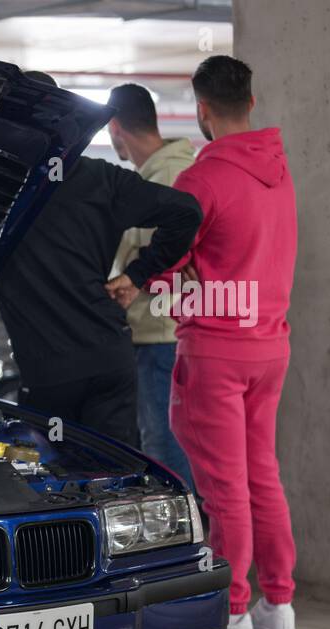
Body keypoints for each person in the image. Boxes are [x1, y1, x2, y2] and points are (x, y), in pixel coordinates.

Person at [106, 56, 298, 629]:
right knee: (261, 476)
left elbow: (171, 257)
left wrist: (138, 282)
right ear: (252, 101)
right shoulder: (280, 170)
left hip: (215, 350)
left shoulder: (203, 179)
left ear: (203, 110)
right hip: (271, 345)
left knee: (224, 489)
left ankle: (233, 613)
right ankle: (280, 604)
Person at [0, 71, 202, 448]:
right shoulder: (102, 178)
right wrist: (137, 275)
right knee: (117, 481)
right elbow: (186, 212)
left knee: (51, 484)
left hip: (49, 369)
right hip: (110, 358)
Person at [106, 83, 197, 491]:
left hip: (161, 336)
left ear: (114, 127)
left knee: (164, 445)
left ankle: (186, 541)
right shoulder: (171, 172)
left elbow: (182, 258)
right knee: (170, 441)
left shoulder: (166, 181)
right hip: (166, 333)